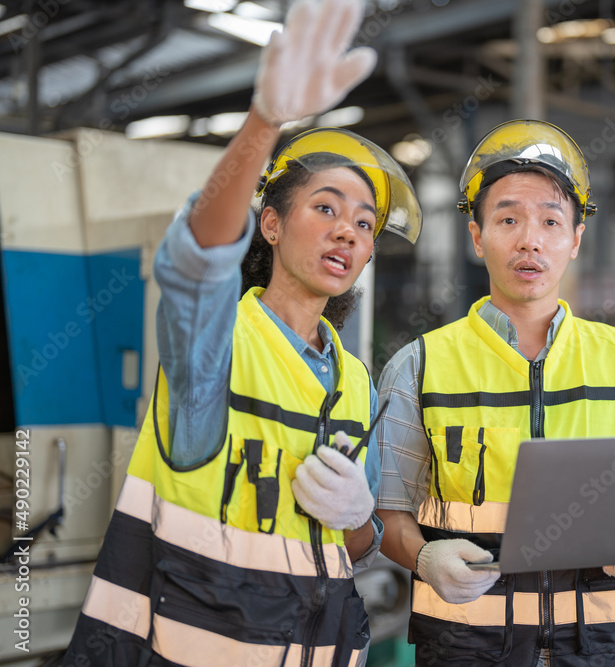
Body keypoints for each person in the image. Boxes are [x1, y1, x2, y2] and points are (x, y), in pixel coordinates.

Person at [61, 1, 420, 665]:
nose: (349, 229)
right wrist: (266, 121)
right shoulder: (219, 344)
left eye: (366, 223)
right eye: (326, 208)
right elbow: (195, 264)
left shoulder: (356, 383)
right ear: (272, 225)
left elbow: (356, 549)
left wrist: (361, 520)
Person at [375, 119, 615, 666]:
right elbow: (385, 516)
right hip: (467, 649)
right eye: (508, 218)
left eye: (550, 221)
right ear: (477, 237)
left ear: (575, 238)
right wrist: (422, 556)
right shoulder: (418, 368)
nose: (529, 239)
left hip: (597, 651)